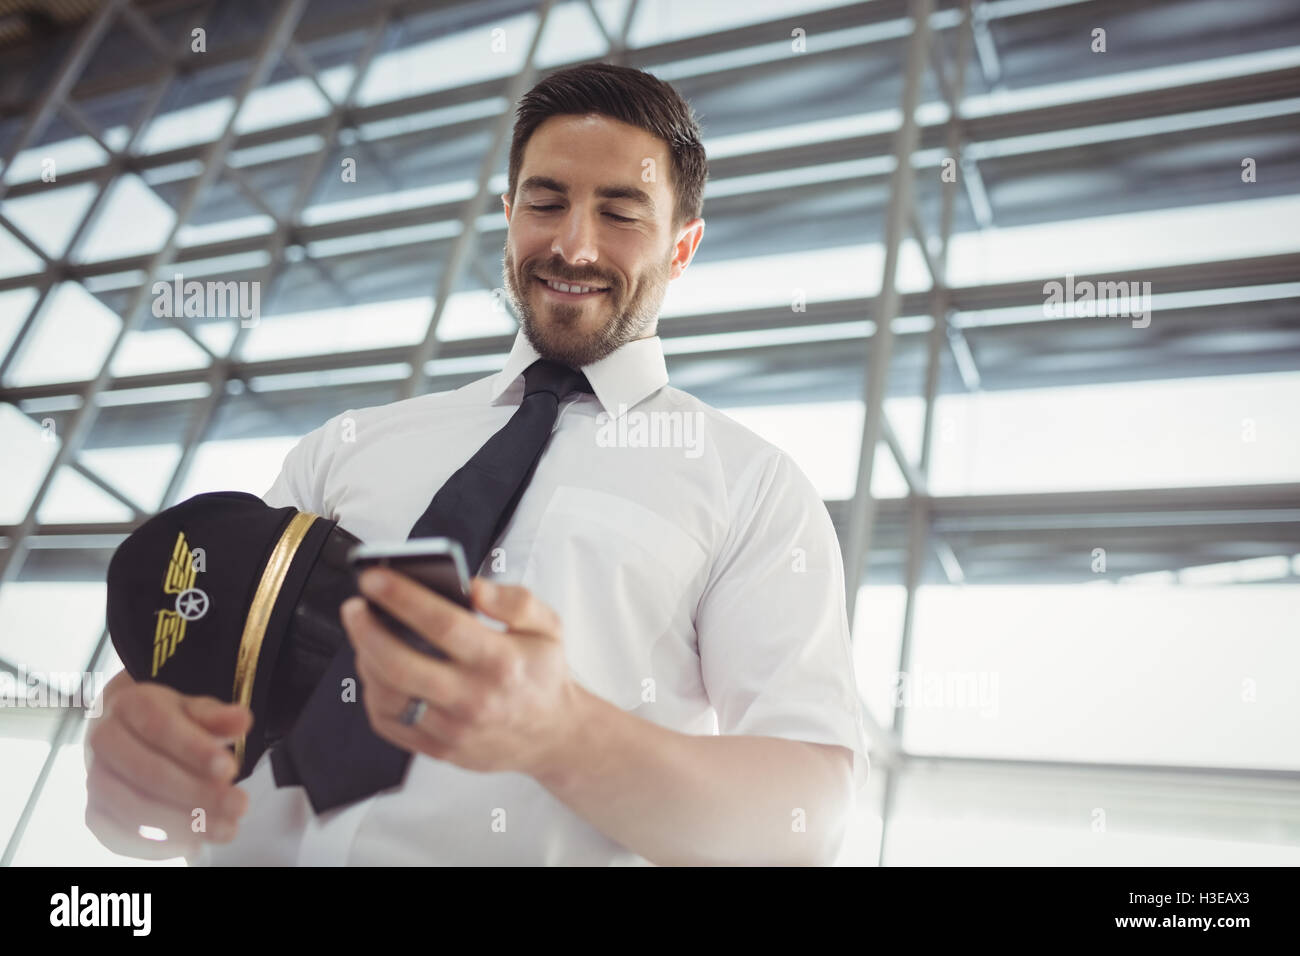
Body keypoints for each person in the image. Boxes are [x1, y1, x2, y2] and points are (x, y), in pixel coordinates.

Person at [85, 62, 871, 866]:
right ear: (508, 216)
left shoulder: (752, 488)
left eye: (621, 212)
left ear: (683, 248)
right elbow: (207, 654)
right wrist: (130, 752)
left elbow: (808, 815)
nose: (573, 243)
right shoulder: (350, 443)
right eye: (546, 201)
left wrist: (561, 733)